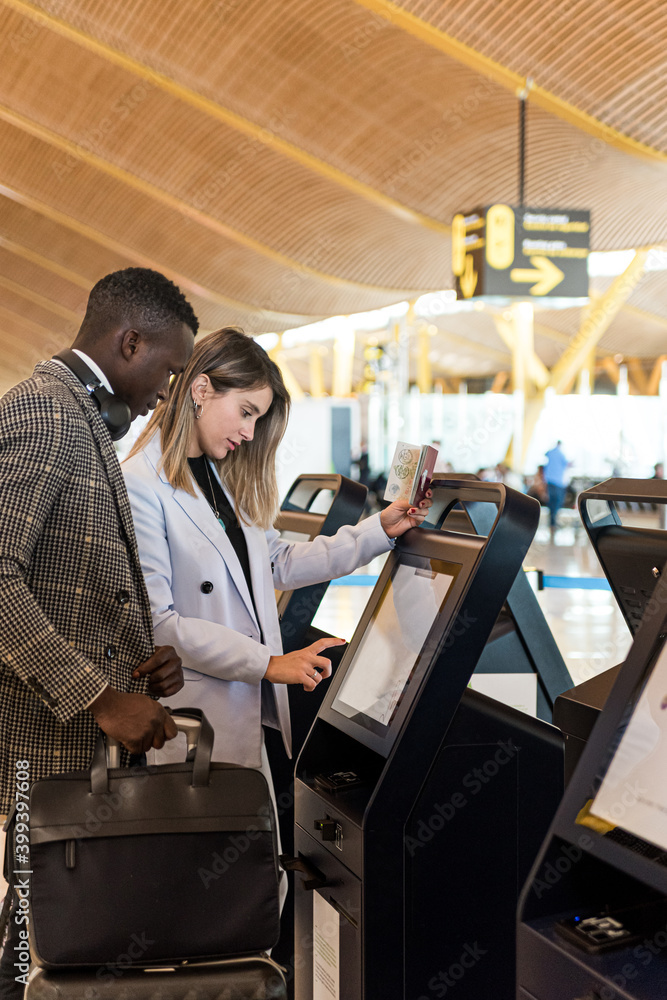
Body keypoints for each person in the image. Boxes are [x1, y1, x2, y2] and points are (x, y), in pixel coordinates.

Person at [122, 328, 432, 901]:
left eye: (258, 419)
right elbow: (162, 624)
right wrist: (270, 664)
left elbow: (279, 561)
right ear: (201, 388)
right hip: (195, 723)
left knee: (255, 888)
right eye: (245, 412)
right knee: (212, 894)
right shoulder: (143, 484)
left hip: (244, 722)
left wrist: (376, 531)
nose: (248, 432)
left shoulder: (212, 478)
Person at [0, 267, 198, 999]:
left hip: (71, 757)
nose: (166, 391)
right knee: (39, 944)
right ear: (129, 341)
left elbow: (61, 575)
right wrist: (99, 699)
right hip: (43, 755)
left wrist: (135, 657)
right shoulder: (47, 415)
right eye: (169, 370)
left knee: (52, 933)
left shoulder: (76, 414)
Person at [544, 440, 571, 532]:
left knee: (551, 503)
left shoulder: (551, 452)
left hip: (550, 481)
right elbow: (567, 464)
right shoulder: (561, 454)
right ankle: (553, 523)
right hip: (558, 482)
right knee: (557, 502)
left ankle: (552, 524)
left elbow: (545, 454)